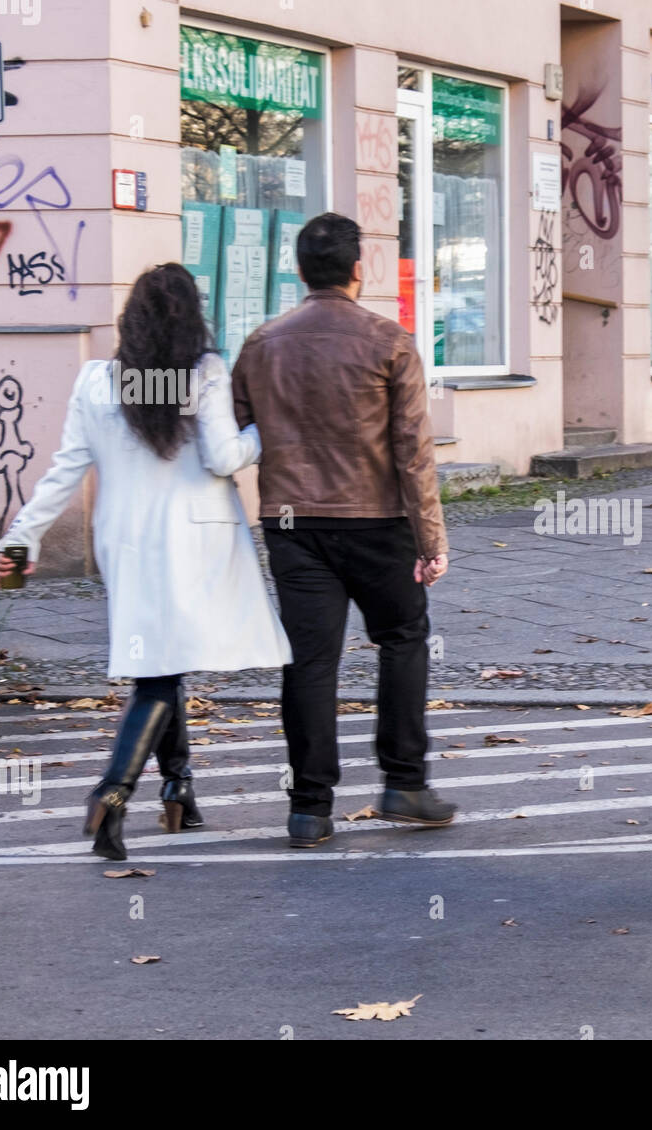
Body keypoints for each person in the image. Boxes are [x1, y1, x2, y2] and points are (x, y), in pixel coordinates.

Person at [0, 264, 292, 860]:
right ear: (191, 319)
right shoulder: (202, 372)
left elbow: (65, 470)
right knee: (159, 671)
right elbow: (223, 458)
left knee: (161, 660)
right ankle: (114, 790)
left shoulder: (96, 381)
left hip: (125, 543)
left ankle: (180, 786)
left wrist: (19, 538)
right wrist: (266, 430)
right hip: (194, 540)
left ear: (130, 322)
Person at [232, 212, 453, 850]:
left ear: (301, 270)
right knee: (404, 637)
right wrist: (431, 540)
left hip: (293, 526)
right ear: (359, 269)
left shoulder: (262, 342)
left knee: (310, 660)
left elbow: (238, 435)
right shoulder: (389, 341)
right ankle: (404, 780)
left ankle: (309, 809)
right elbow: (414, 451)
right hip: (378, 523)